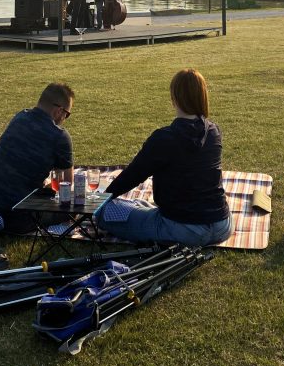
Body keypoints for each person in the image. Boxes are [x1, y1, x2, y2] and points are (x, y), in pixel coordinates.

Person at [96, 69, 232, 247]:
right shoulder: (214, 131)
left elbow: (132, 175)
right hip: (222, 225)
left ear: (174, 98)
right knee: (138, 204)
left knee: (104, 212)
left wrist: (102, 199)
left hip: (182, 228)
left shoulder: (164, 138)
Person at [0, 83, 75, 234]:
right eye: (67, 115)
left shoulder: (20, 117)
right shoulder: (59, 136)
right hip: (19, 212)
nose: (64, 119)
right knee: (71, 208)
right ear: (59, 111)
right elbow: (66, 183)